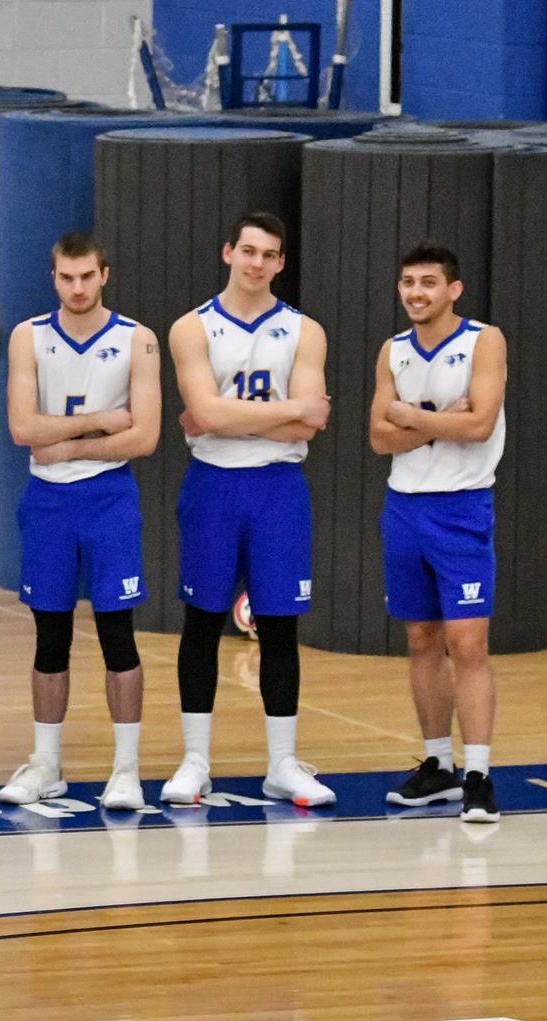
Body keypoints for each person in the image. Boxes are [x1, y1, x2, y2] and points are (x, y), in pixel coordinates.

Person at [163, 212, 336, 808]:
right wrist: (285, 414)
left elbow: (312, 415)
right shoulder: (191, 328)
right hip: (212, 484)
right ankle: (194, 761)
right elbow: (208, 416)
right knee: (202, 622)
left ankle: (282, 764)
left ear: (281, 263)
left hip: (279, 488)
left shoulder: (305, 331)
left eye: (269, 255)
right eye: (248, 251)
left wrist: (228, 413)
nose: (257, 263)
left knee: (281, 625)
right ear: (228, 252)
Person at [0, 233, 161, 811]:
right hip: (48, 504)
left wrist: (66, 446)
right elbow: (22, 428)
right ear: (54, 278)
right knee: (50, 637)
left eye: (86, 276)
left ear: (104, 274)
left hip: (110, 498)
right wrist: (100, 423)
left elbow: (143, 435)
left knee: (119, 635)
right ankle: (47, 764)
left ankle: (126, 769)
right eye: (66, 278)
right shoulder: (28, 337)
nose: (77, 288)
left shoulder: (138, 340)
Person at [370, 242, 508, 823]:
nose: (416, 292)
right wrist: (440, 420)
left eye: (428, 282)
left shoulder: (485, 340)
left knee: (468, 643)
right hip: (404, 507)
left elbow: (478, 426)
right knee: (421, 639)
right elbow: (379, 437)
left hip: (462, 508)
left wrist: (414, 417)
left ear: (454, 289)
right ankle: (438, 765)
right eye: (408, 282)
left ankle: (478, 774)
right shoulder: (393, 351)